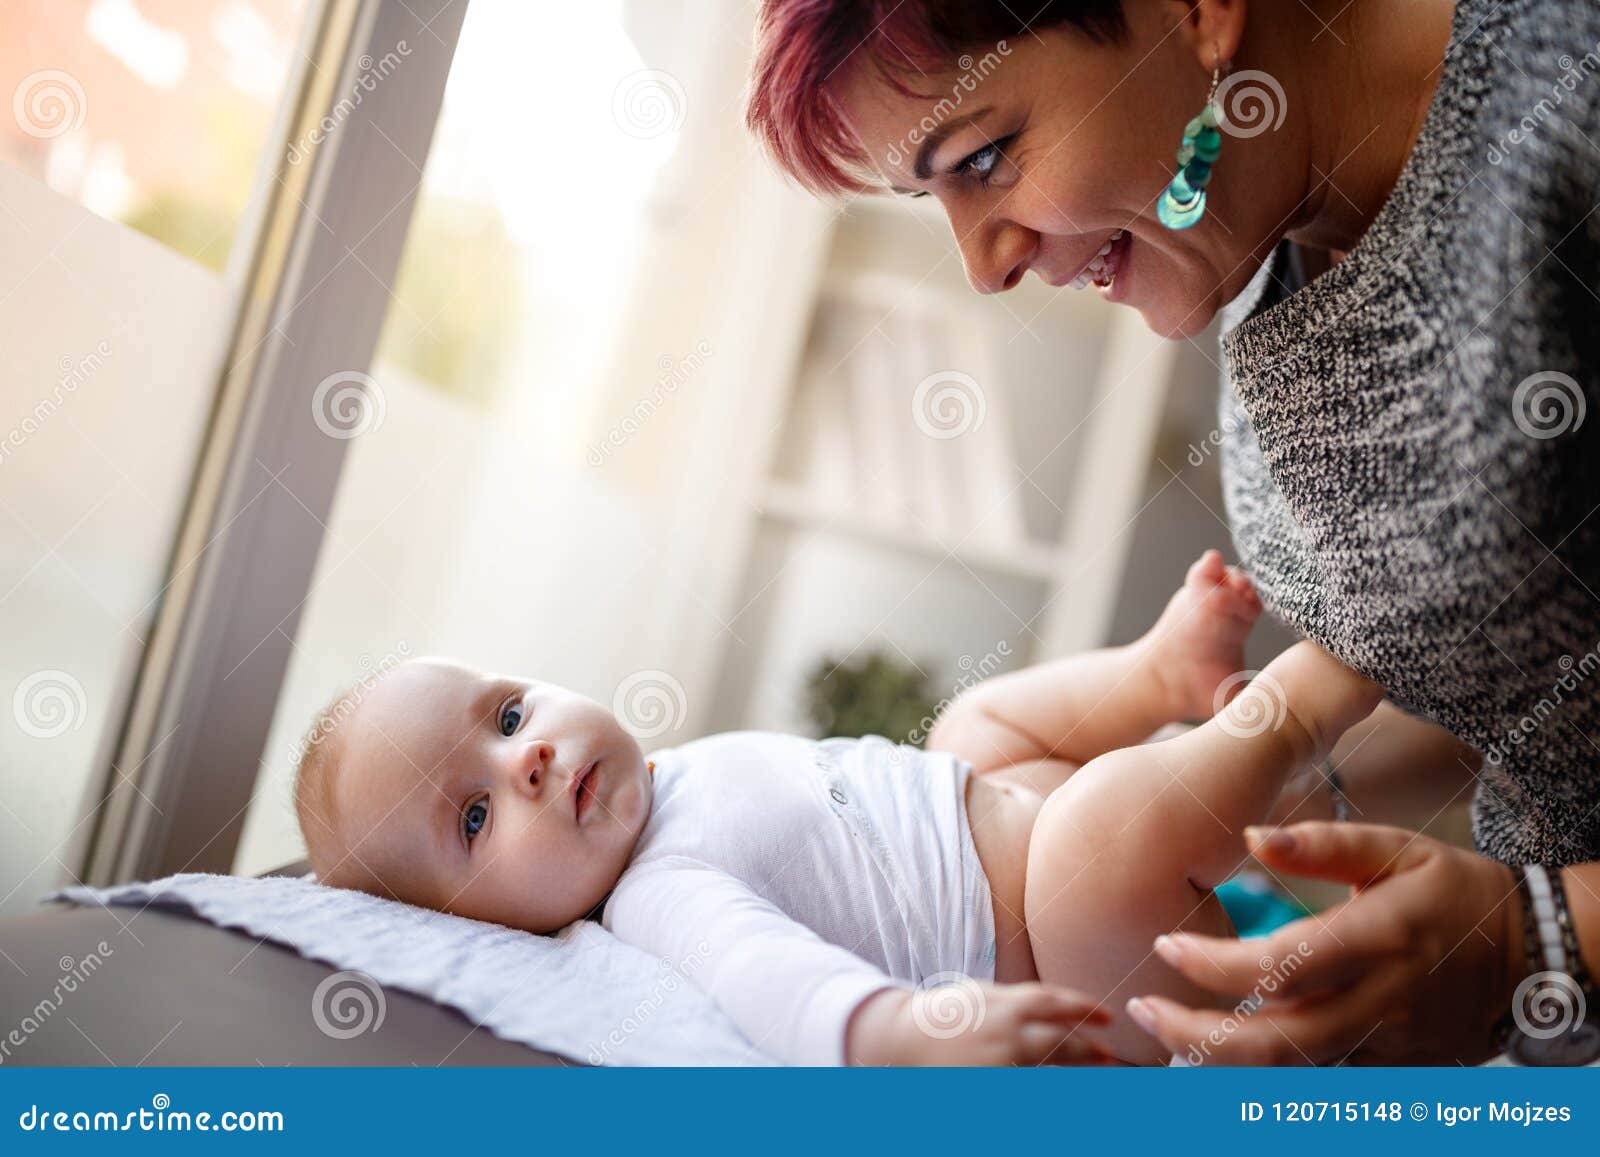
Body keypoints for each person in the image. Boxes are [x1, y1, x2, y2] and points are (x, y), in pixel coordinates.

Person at [744, 0, 1600, 1063]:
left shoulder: (1567, 96)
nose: (982, 265)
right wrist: (1242, 778)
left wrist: (1539, 941)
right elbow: (1523, 680)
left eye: (984, 155)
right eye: (933, 201)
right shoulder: (1273, 262)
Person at [295, 552, 1397, 1064]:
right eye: (475, 817)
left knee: (969, 727)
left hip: (1008, 814)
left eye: (506, 711)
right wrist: (907, 1032)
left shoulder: (674, 776)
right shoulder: (657, 902)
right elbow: (777, 986)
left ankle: (1158, 677)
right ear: (478, 923)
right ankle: (1310, 696)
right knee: (1092, 843)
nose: (525, 760)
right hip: (1090, 949)